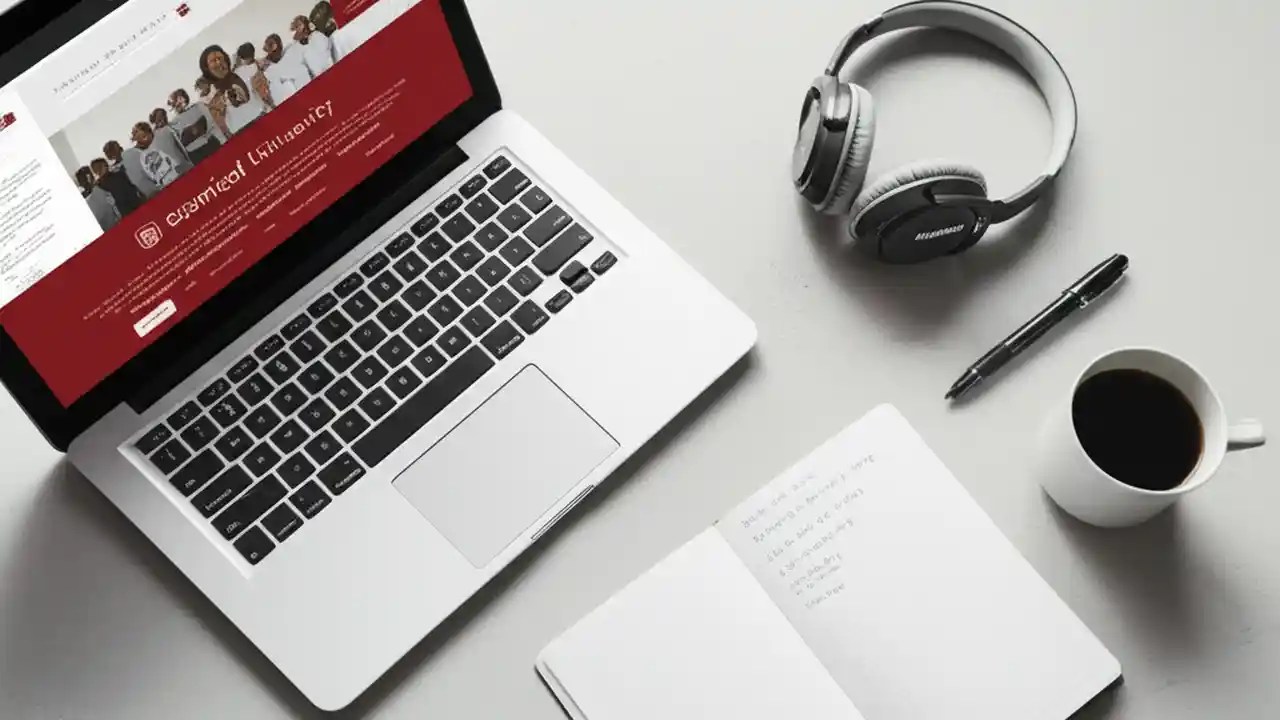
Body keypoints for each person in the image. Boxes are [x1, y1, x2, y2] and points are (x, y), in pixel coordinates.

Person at [199, 45, 263, 137]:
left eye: (220, 58)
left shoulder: (244, 71)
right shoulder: (208, 96)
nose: (219, 63)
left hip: (261, 118)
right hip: (239, 133)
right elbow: (218, 123)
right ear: (206, 68)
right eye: (213, 61)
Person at [168, 88, 225, 164]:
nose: (175, 107)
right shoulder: (174, 123)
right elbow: (180, 143)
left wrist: (223, 141)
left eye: (175, 102)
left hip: (210, 144)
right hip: (195, 154)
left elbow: (211, 125)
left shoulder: (198, 106)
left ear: (181, 99)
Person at [262, 33, 310, 106]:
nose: (273, 47)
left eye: (272, 44)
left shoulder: (288, 52)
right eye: (270, 45)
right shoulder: (266, 66)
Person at [130, 122, 183, 189]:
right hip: (165, 182)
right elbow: (150, 173)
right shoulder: (142, 157)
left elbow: (174, 161)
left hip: (175, 174)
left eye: (144, 136)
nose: (142, 140)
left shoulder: (161, 137)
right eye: (138, 140)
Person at [147, 107, 195, 174]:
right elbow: (181, 147)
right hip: (180, 163)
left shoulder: (153, 136)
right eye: (160, 118)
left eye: (164, 117)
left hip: (172, 169)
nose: (163, 120)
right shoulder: (166, 129)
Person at [75, 166, 120, 232]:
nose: (87, 179)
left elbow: (115, 206)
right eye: (83, 179)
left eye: (88, 176)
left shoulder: (102, 188)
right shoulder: (82, 201)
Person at [234, 42, 276, 109]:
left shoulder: (245, 71)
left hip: (261, 101)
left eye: (242, 58)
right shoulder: (260, 63)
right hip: (264, 97)